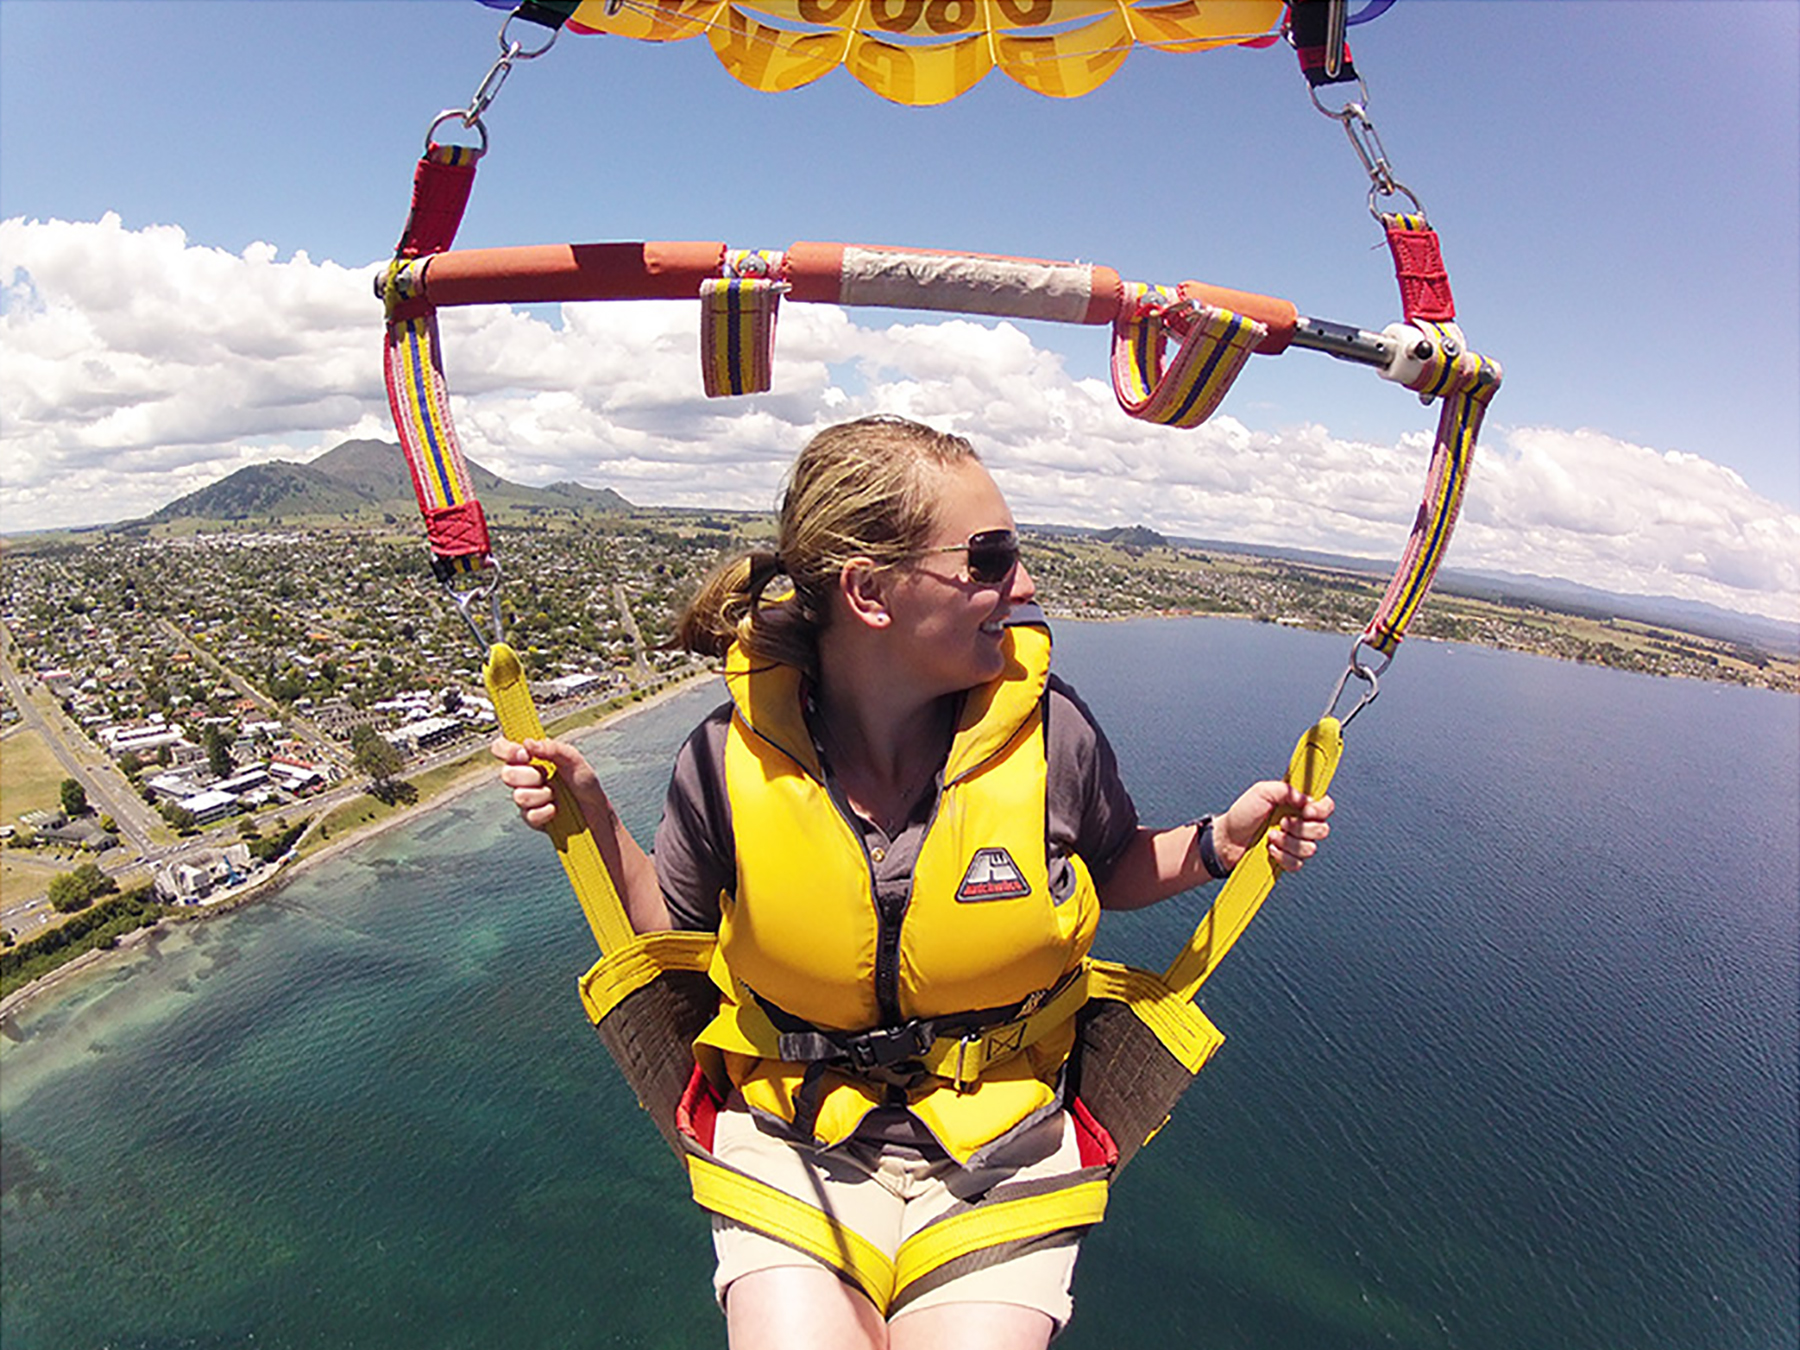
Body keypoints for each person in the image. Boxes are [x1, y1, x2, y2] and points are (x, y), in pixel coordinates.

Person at [493, 415, 1333, 1349]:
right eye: (989, 558)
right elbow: (672, 935)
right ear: (869, 592)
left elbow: (1112, 866)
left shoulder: (1054, 740)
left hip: (1006, 1147)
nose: (1024, 583)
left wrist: (1222, 841)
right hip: (792, 1136)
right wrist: (595, 820)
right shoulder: (728, 763)